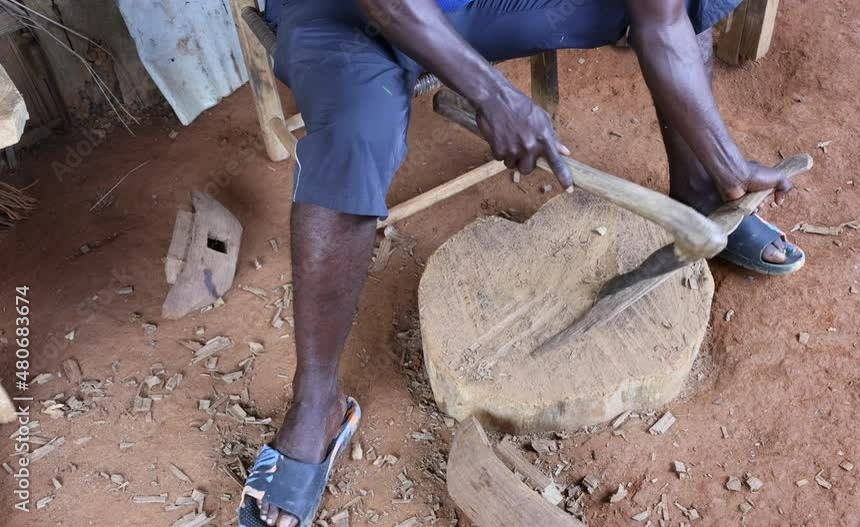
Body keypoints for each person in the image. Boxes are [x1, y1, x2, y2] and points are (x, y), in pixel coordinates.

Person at [238, 1, 805, 526]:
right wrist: (493, 96)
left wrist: (727, 163)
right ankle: (318, 400)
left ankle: (702, 191)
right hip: (346, 12)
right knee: (355, 134)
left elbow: (661, 16)